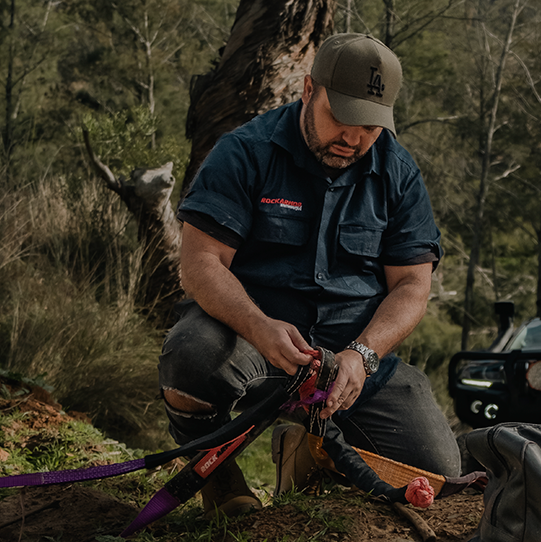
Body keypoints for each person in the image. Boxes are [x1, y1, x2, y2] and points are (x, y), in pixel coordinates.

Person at [158, 32, 461, 517]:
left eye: (370, 126)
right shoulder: (244, 152)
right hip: (252, 337)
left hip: (351, 353)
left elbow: (412, 284)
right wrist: (258, 326)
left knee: (436, 470)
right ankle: (219, 478)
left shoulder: (398, 173)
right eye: (340, 117)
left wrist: (363, 354)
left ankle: (308, 452)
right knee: (190, 357)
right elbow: (200, 264)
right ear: (307, 90)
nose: (353, 138)